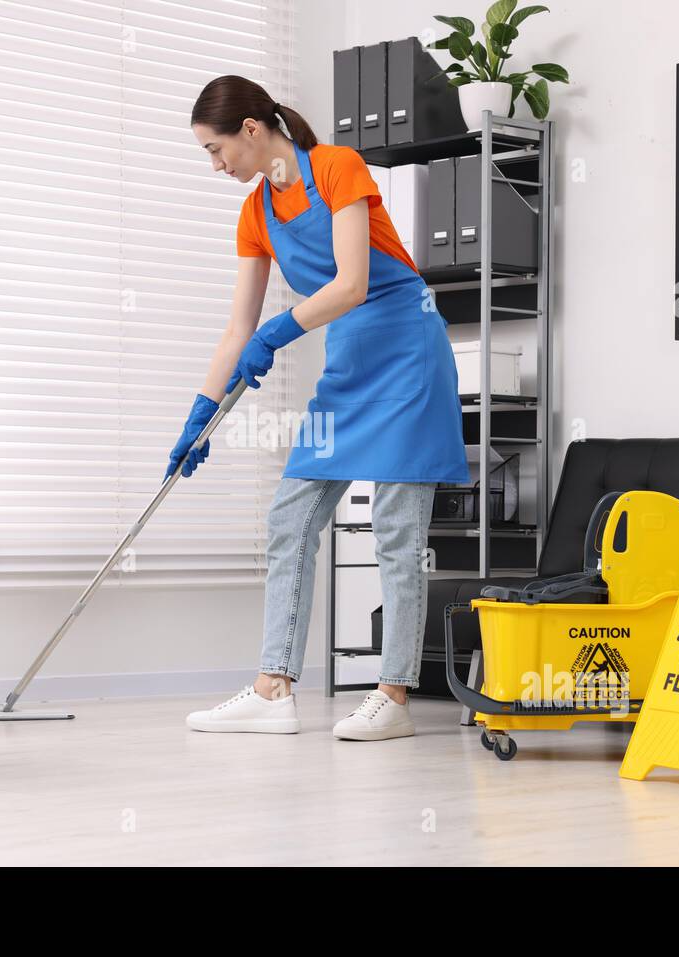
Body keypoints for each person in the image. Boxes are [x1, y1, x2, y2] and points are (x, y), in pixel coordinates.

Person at [171, 75, 468, 741]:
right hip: (350, 365)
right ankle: (273, 687)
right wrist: (199, 412)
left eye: (217, 151)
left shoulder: (338, 167)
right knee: (291, 517)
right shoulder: (255, 213)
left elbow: (353, 281)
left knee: (395, 532)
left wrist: (279, 332)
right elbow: (236, 329)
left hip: (408, 352)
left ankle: (392, 694)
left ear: (253, 129)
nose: (217, 167)